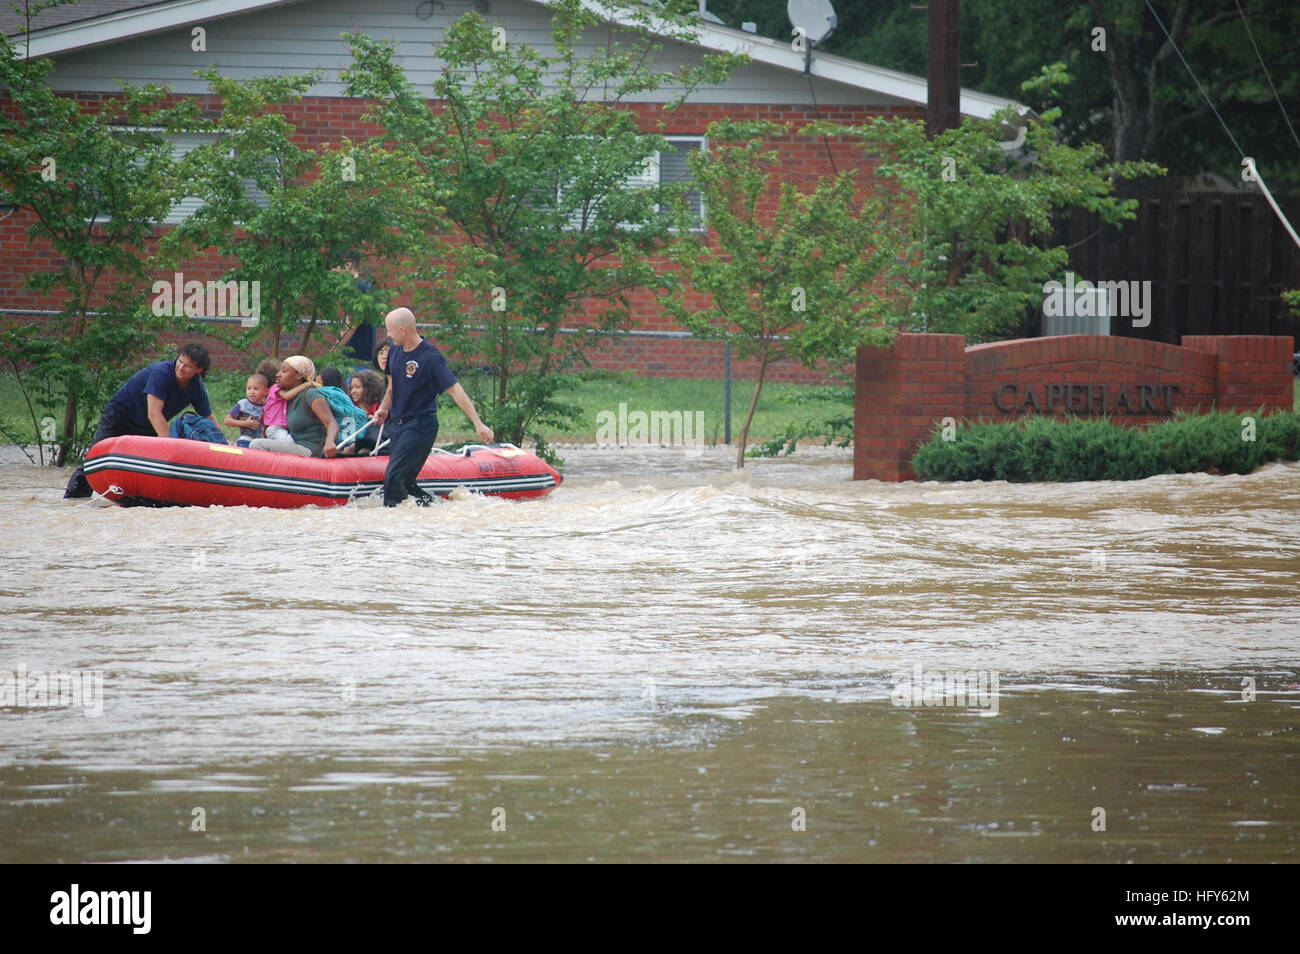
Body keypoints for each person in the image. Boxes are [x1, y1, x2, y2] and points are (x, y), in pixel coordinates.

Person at [64, 343, 219, 498]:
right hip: (120, 415)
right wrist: (172, 448)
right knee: (96, 458)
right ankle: (74, 497)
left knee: (145, 466)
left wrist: (222, 445)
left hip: (147, 426)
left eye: (187, 366)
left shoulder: (196, 388)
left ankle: (137, 499)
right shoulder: (161, 373)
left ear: (199, 369)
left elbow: (208, 417)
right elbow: (154, 413)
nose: (180, 368)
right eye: (180, 361)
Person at [372, 307, 492, 506]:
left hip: (420, 426)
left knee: (393, 479)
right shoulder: (394, 350)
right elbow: (393, 385)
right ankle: (437, 508)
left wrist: (478, 424)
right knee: (406, 484)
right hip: (398, 426)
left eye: (389, 330)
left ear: (402, 330)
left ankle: (391, 520)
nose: (388, 335)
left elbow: (455, 390)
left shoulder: (429, 357)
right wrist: (384, 409)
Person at [247, 356, 339, 458]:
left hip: (311, 450)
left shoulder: (311, 394)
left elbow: (331, 423)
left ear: (298, 375)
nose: (278, 374)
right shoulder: (288, 398)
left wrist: (330, 442)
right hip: (295, 446)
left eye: (284, 371)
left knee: (257, 444)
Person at [223, 372, 269, 447]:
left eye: (256, 389)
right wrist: (244, 423)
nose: (252, 392)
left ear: (265, 391)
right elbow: (227, 421)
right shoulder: (243, 404)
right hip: (246, 439)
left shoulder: (267, 408)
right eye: (249, 388)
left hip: (260, 441)